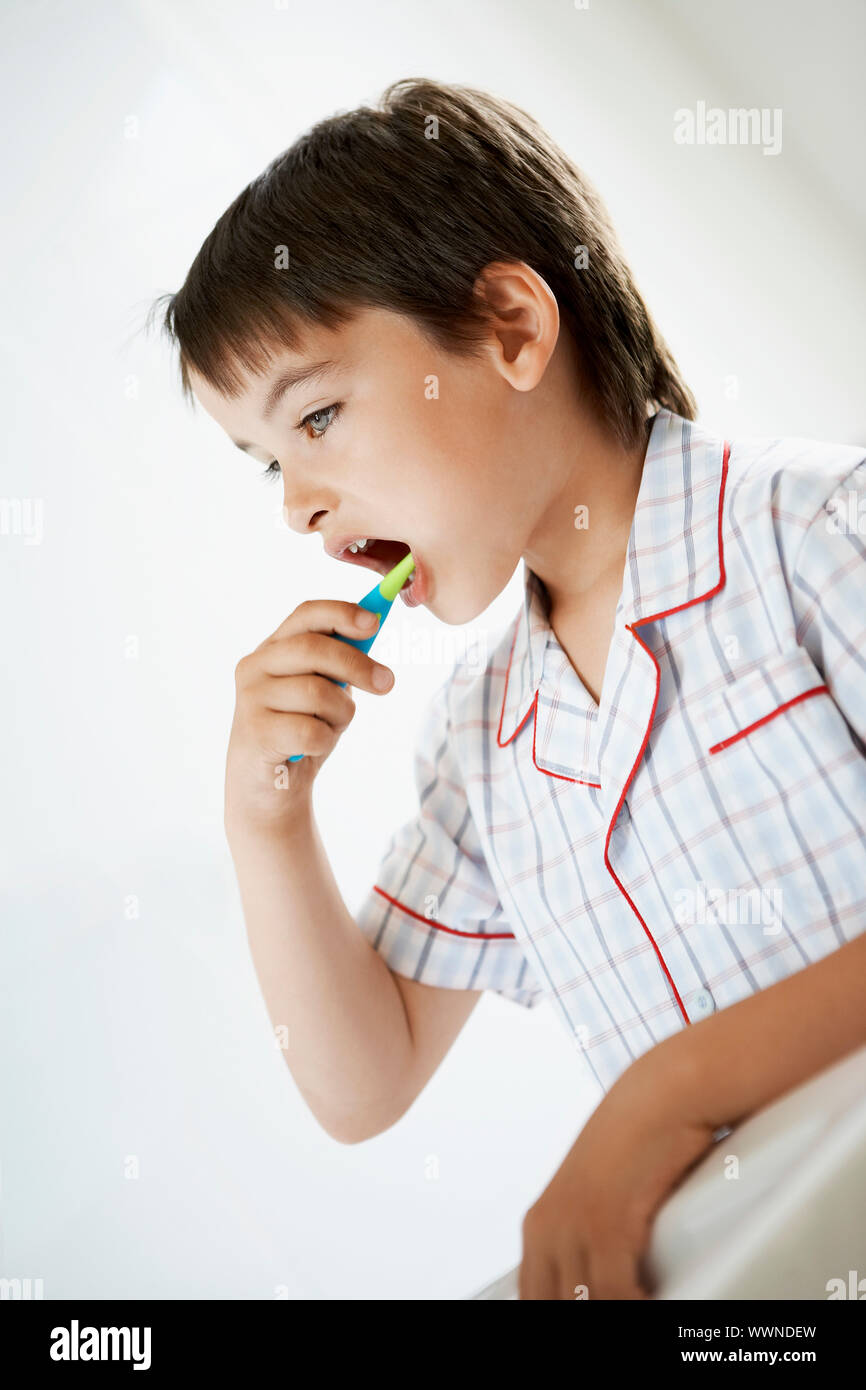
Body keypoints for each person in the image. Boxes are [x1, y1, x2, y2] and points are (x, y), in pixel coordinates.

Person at [151, 77, 866, 1299]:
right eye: (268, 464)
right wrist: (262, 820)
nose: (296, 503)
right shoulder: (481, 740)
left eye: (316, 415)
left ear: (508, 329)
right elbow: (362, 1080)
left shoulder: (815, 532)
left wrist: (663, 1099)